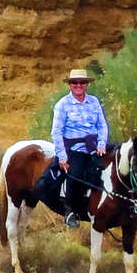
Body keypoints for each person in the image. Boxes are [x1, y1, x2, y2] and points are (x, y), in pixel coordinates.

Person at [51, 66, 109, 227]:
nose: (78, 85)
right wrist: (62, 156)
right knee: (75, 173)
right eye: (75, 82)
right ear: (70, 84)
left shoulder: (94, 102)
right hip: (73, 148)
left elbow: (102, 126)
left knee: (110, 169)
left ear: (86, 84)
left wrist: (101, 143)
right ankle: (70, 210)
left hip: (94, 146)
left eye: (82, 82)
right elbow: (56, 132)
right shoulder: (62, 105)